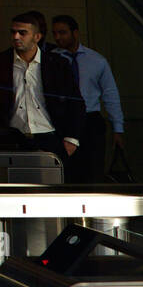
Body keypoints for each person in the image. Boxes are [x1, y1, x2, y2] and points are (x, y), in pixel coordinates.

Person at [0, 13, 85, 178]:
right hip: (14, 136)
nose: (16, 37)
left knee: (51, 190)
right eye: (13, 32)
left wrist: (72, 139)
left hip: (49, 136)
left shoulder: (57, 64)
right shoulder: (0, 61)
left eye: (22, 33)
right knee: (14, 189)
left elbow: (76, 103)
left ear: (37, 37)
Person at [51, 15, 124, 184]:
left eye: (62, 32)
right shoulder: (50, 60)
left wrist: (118, 128)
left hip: (90, 120)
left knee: (93, 170)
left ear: (75, 33)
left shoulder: (97, 61)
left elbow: (110, 94)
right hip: (62, 121)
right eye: (55, 33)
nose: (57, 37)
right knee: (65, 171)